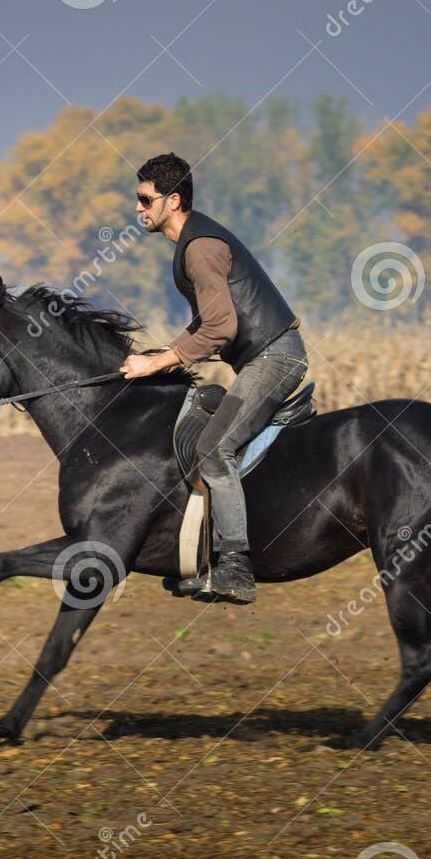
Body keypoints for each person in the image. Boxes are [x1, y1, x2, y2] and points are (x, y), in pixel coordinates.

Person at [119, 152, 306, 605]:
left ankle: (237, 567)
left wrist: (156, 364)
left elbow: (221, 329)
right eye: (137, 199)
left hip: (274, 360)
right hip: (263, 359)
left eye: (145, 200)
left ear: (173, 199)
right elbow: (208, 323)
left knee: (213, 447)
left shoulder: (200, 248)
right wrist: (163, 353)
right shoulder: (194, 243)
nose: (138, 209)